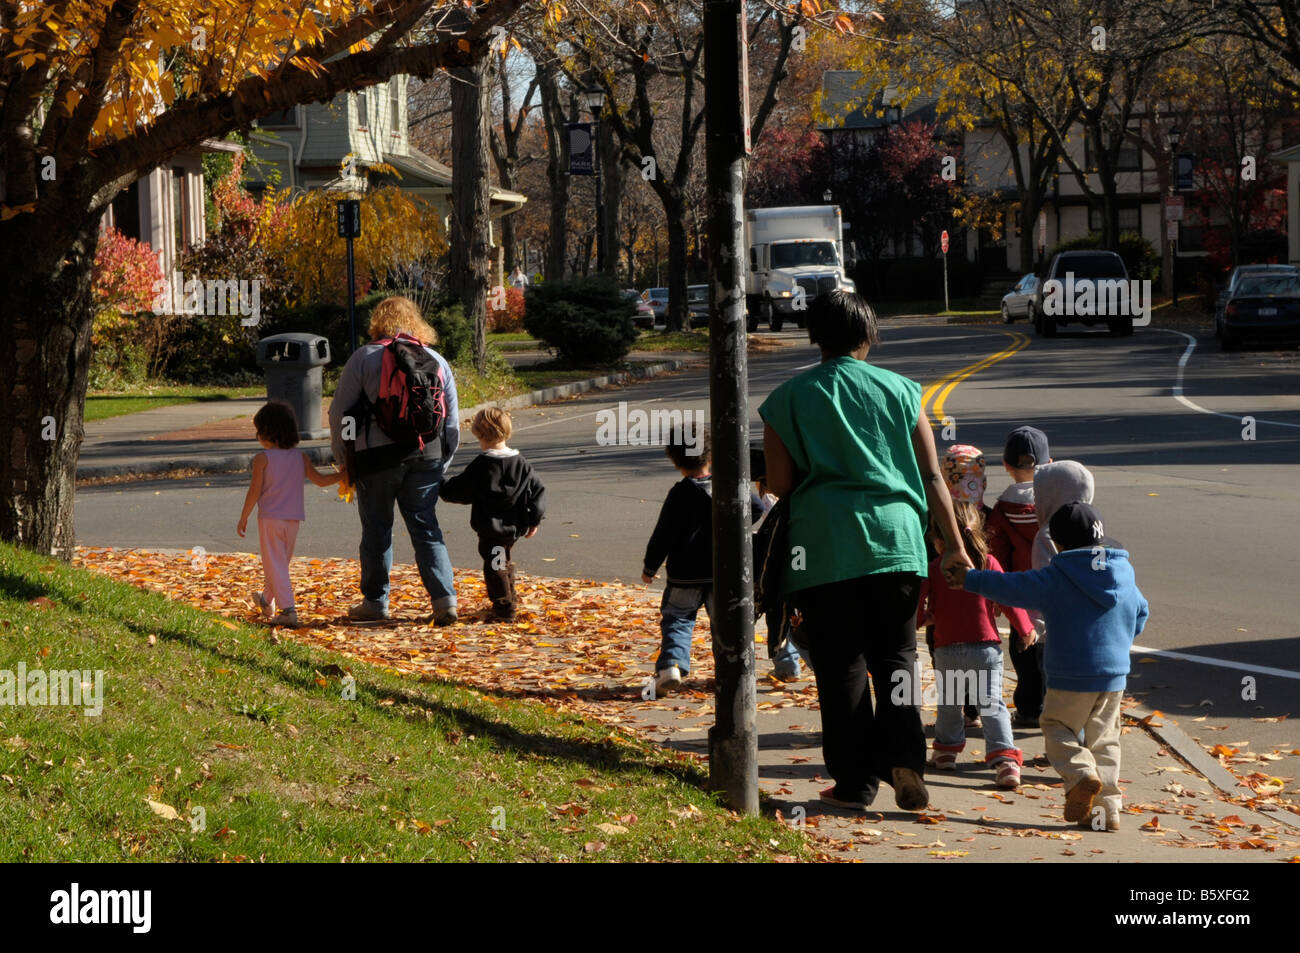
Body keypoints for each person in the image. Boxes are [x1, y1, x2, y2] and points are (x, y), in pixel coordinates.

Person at [759, 290, 974, 813]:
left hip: (823, 546)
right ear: (868, 336)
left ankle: (854, 781)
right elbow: (932, 478)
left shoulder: (785, 399)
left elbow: (781, 487)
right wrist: (954, 546)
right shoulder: (903, 391)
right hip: (895, 541)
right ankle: (904, 761)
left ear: (814, 337)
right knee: (897, 658)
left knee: (841, 667)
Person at [957, 501, 1148, 831]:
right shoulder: (1123, 573)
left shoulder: (1059, 576)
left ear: (1058, 543)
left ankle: (1080, 776)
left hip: (1070, 675)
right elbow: (1140, 613)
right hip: (1114, 676)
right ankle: (1107, 812)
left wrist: (972, 579)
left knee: (1059, 727)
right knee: (1105, 741)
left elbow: (1013, 587)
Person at [329, 296, 461, 625]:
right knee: (426, 527)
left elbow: (340, 414)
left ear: (377, 322)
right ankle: (444, 600)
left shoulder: (363, 358)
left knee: (377, 529)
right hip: (426, 455)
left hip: (376, 457)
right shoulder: (436, 360)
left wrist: (344, 456)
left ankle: (376, 602)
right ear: (416, 322)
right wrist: (441, 462)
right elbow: (452, 425)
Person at [918, 503, 1034, 789]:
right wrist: (1025, 628)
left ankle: (945, 752)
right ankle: (1005, 760)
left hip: (946, 648)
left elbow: (918, 604)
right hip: (985, 647)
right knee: (991, 704)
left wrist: (922, 619)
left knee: (949, 702)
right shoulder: (988, 564)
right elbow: (1007, 598)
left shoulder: (935, 568)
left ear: (937, 539)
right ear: (980, 534)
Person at [640, 429, 741, 693]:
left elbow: (664, 533)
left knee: (677, 618)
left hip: (684, 573)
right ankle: (730, 674)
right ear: (710, 456)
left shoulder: (679, 493)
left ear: (675, 460)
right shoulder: (726, 485)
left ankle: (671, 666)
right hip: (722, 571)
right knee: (726, 624)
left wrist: (650, 566)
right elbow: (753, 506)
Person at [237, 400, 341, 627]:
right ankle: (266, 598)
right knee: (279, 563)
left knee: (275, 564)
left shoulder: (262, 459)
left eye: (258, 432)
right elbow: (320, 480)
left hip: (270, 518)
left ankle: (288, 610)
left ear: (267, 432)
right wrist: (343, 475)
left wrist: (244, 516)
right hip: (293, 519)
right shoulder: (299, 457)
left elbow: (254, 492)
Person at [440, 408, 547, 621]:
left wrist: (441, 483)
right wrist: (535, 519)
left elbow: (460, 489)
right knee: (503, 560)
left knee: (495, 565)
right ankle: (510, 597)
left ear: (479, 434)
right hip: (514, 525)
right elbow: (538, 491)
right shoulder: (521, 463)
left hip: (491, 527)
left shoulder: (483, 466)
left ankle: (504, 607)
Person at [986, 426, 1051, 726]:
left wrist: (998, 595)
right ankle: (1056, 711)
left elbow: (997, 555)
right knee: (1054, 657)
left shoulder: (1001, 511)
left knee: (1024, 658)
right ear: (1049, 464)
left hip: (1021, 597)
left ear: (1006, 466)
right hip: (1055, 595)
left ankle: (1028, 709)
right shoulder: (1054, 506)